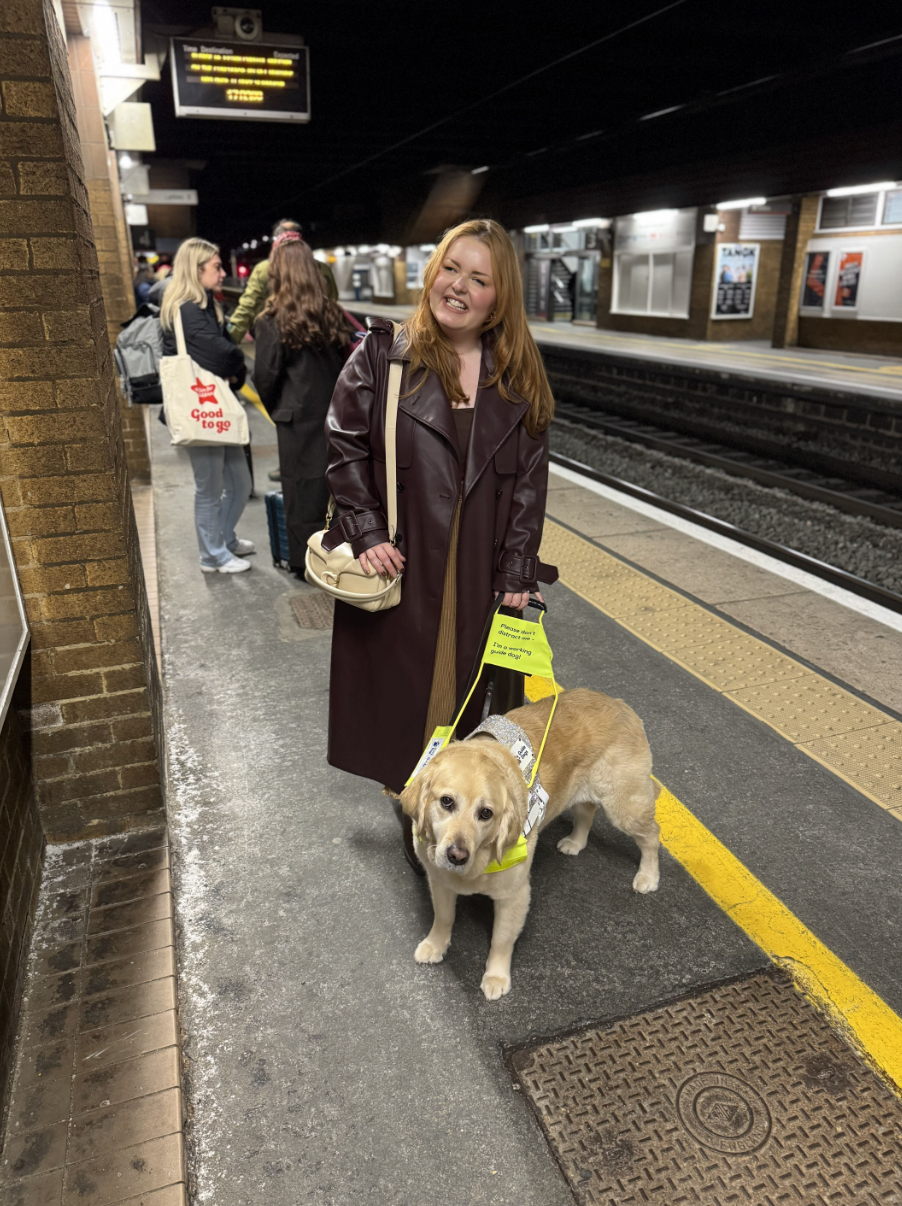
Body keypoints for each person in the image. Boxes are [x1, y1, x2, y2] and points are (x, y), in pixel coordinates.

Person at [325, 218, 556, 868]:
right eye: (452, 268)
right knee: (404, 704)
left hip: (476, 574)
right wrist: (366, 530)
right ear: (434, 271)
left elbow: (529, 490)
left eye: (479, 279)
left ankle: (451, 812)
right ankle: (417, 816)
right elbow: (343, 447)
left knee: (464, 700)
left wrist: (517, 568)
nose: (458, 286)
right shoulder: (384, 353)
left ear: (499, 297)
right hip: (406, 568)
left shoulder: (518, 378)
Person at [253, 232, 352, 570]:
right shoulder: (332, 314)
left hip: (296, 422)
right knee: (336, 488)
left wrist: (280, 411)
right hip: (336, 417)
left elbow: (265, 378)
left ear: (278, 273)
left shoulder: (271, 320)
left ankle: (306, 562)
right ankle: (340, 556)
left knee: (301, 493)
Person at [160, 238, 256, 574]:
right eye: (216, 266)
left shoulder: (204, 307)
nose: (223, 271)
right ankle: (212, 555)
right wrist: (234, 367)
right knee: (209, 487)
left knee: (240, 482)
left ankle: (225, 538)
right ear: (196, 269)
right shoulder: (186, 308)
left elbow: (226, 353)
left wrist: (233, 367)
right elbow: (226, 353)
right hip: (198, 410)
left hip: (213, 410)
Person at [228, 220, 339, 344]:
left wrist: (229, 340)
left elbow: (248, 307)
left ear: (275, 242)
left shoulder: (264, 269)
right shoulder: (322, 269)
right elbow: (332, 301)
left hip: (276, 340)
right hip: (318, 337)